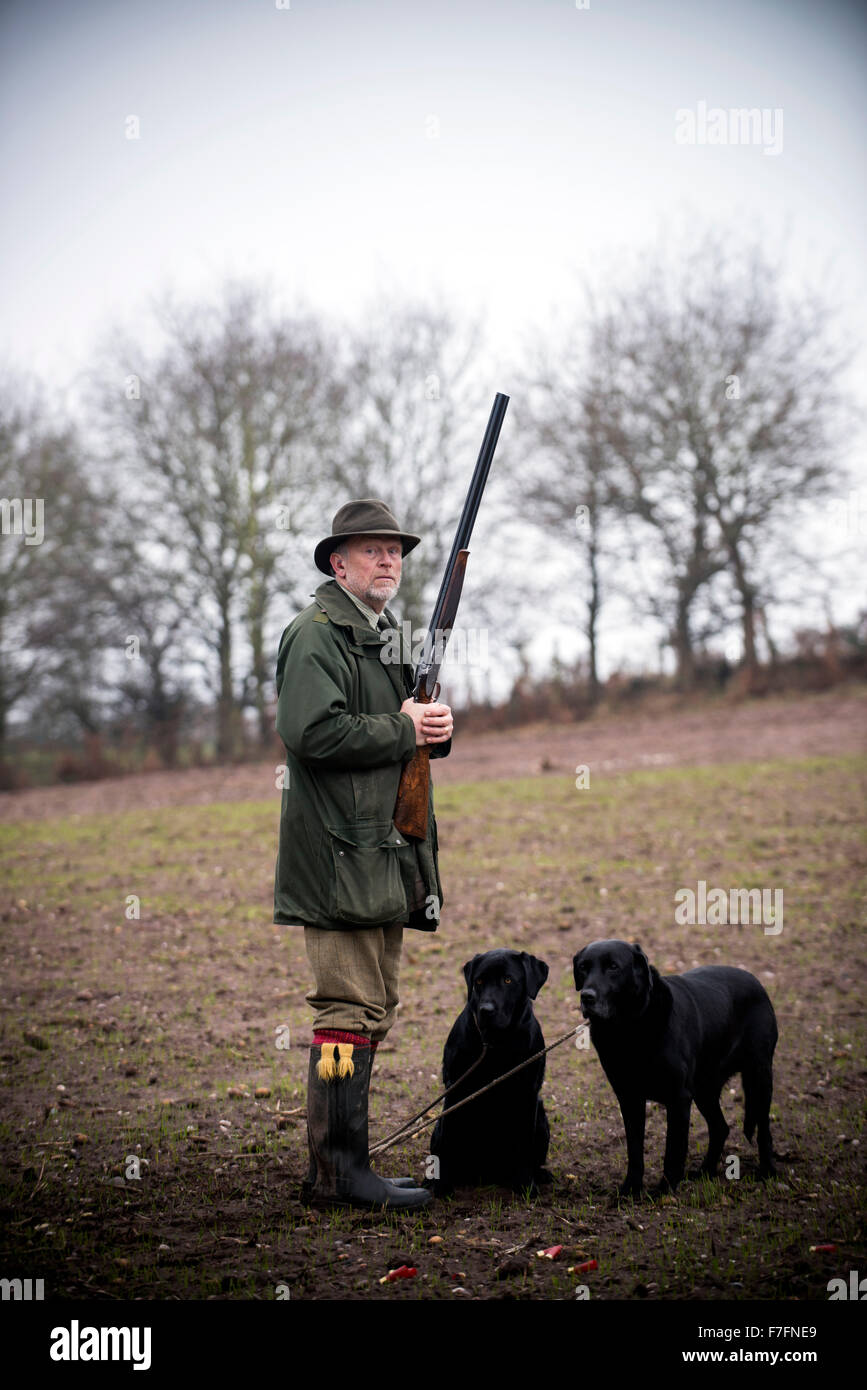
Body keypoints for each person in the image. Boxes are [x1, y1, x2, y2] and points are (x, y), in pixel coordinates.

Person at [273, 499, 453, 1209]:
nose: (388, 560)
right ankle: (339, 1174)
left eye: (394, 551)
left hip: (380, 849)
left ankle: (347, 1169)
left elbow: (398, 730)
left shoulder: (377, 636)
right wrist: (402, 728)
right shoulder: (316, 634)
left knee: (370, 1005)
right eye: (371, 550)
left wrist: (432, 728)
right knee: (346, 1007)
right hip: (339, 854)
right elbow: (311, 734)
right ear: (335, 562)